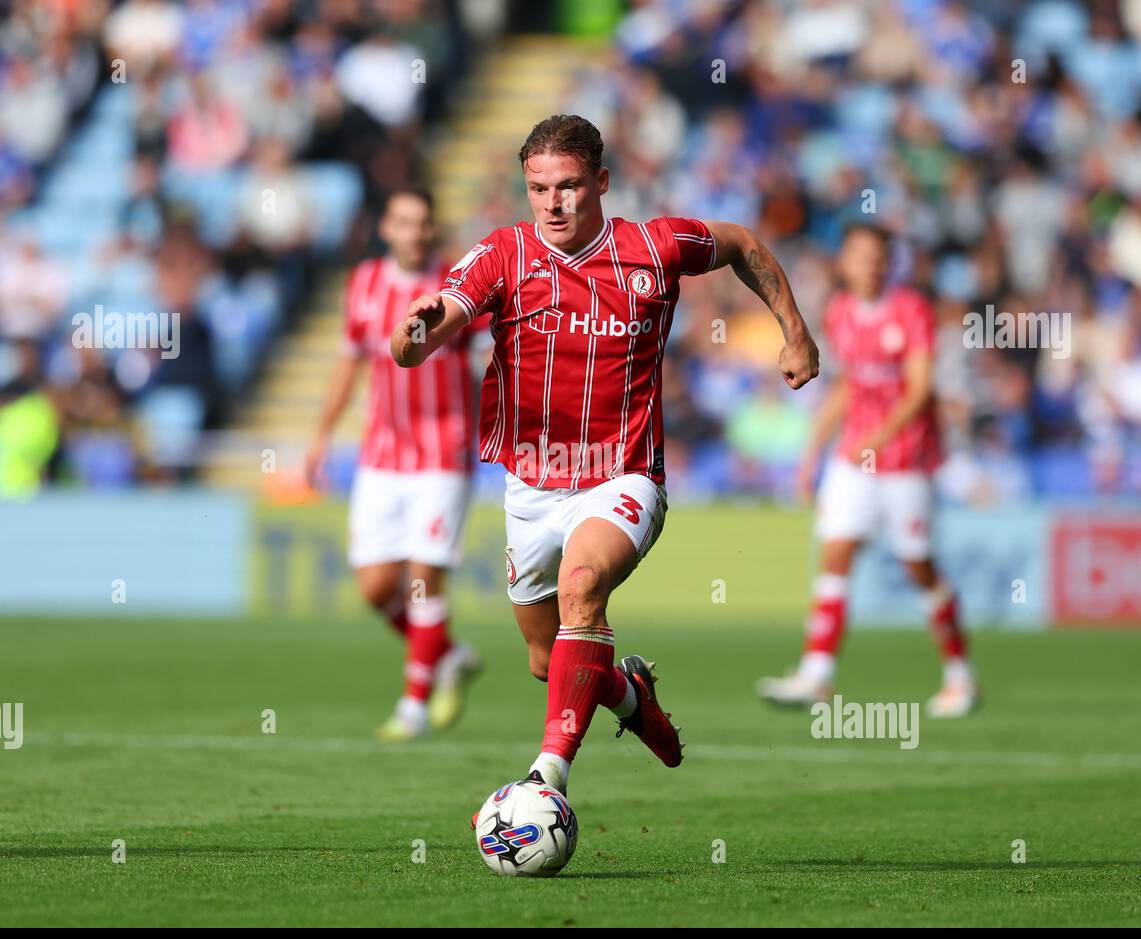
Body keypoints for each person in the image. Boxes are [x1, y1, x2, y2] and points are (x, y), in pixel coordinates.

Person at [389, 115, 819, 795]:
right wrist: (412, 336)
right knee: (545, 659)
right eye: (538, 188)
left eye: (568, 186)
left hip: (624, 475)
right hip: (531, 488)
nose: (553, 203)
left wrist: (793, 332)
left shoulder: (656, 246)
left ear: (603, 182)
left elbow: (742, 244)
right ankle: (629, 695)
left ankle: (545, 778)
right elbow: (437, 318)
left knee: (583, 588)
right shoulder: (504, 254)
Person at [758, 223, 978, 718]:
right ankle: (816, 674)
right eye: (858, 255)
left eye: (877, 256)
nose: (868, 265)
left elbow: (921, 389)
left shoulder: (911, 310)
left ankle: (959, 674)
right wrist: (813, 451)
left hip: (905, 461)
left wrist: (876, 440)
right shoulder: (839, 313)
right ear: (844, 262)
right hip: (852, 459)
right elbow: (848, 387)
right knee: (836, 554)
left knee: (918, 565)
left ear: (888, 262)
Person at [305, 188, 481, 741]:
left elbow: (490, 361)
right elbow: (348, 364)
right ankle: (446, 655)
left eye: (424, 223)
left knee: (425, 577)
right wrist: (320, 436)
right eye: (405, 222)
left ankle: (413, 705)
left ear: (433, 229)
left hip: (443, 453)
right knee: (377, 589)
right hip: (381, 454)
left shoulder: (458, 287)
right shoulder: (363, 285)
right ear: (387, 227)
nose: (415, 232)